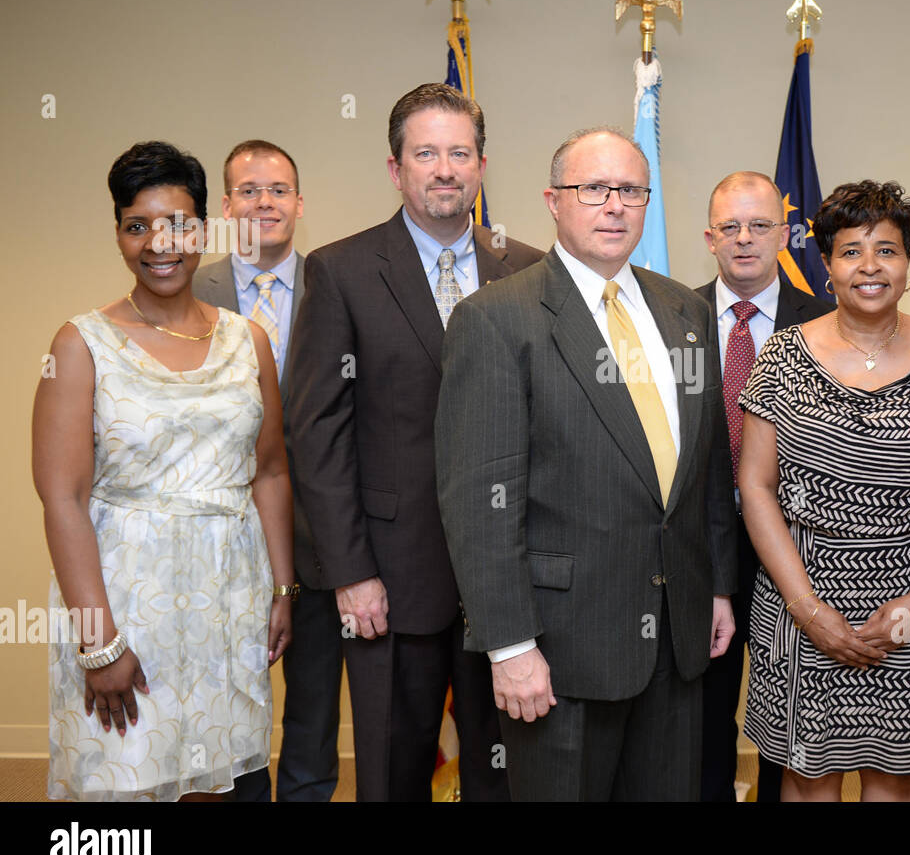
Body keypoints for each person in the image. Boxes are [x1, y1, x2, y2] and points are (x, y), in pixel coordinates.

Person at [435, 127, 739, 801]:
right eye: (593, 189)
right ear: (553, 200)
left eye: (630, 190)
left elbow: (707, 467)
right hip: (560, 649)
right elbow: (479, 502)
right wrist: (510, 646)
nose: (614, 206)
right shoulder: (496, 320)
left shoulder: (686, 310)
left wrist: (717, 584)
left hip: (676, 637)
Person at [286, 83, 542, 802]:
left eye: (459, 152)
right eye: (425, 153)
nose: (444, 168)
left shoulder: (525, 267)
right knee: (396, 772)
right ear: (395, 168)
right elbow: (317, 431)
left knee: (511, 774)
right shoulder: (340, 271)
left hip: (510, 581)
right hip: (392, 578)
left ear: (482, 166)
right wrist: (349, 571)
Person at [35, 140, 294, 801]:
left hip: (228, 611)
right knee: (124, 788)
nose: (160, 242)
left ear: (204, 228)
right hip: (126, 615)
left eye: (177, 222)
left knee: (225, 780)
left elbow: (268, 471)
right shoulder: (80, 343)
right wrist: (99, 643)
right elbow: (62, 498)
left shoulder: (247, 339)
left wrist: (282, 588)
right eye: (137, 224)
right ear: (119, 233)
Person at [737, 179, 910, 802]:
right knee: (808, 779)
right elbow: (755, 486)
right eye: (850, 251)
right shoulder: (785, 355)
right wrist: (808, 610)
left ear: (908, 262)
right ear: (826, 264)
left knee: (894, 780)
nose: (869, 266)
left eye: (887, 250)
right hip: (801, 596)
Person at [194, 139, 342, 802]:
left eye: (278, 189)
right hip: (218, 538)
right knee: (231, 703)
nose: (265, 202)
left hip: (320, 537)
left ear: (300, 203)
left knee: (314, 706)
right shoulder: (187, 287)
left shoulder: (338, 287)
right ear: (227, 206)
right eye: (249, 190)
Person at [695, 170, 830, 802]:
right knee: (702, 710)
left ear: (785, 232)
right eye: (730, 227)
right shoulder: (670, 317)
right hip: (697, 546)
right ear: (709, 237)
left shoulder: (827, 322)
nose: (744, 239)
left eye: (759, 225)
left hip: (797, 546)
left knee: (793, 711)